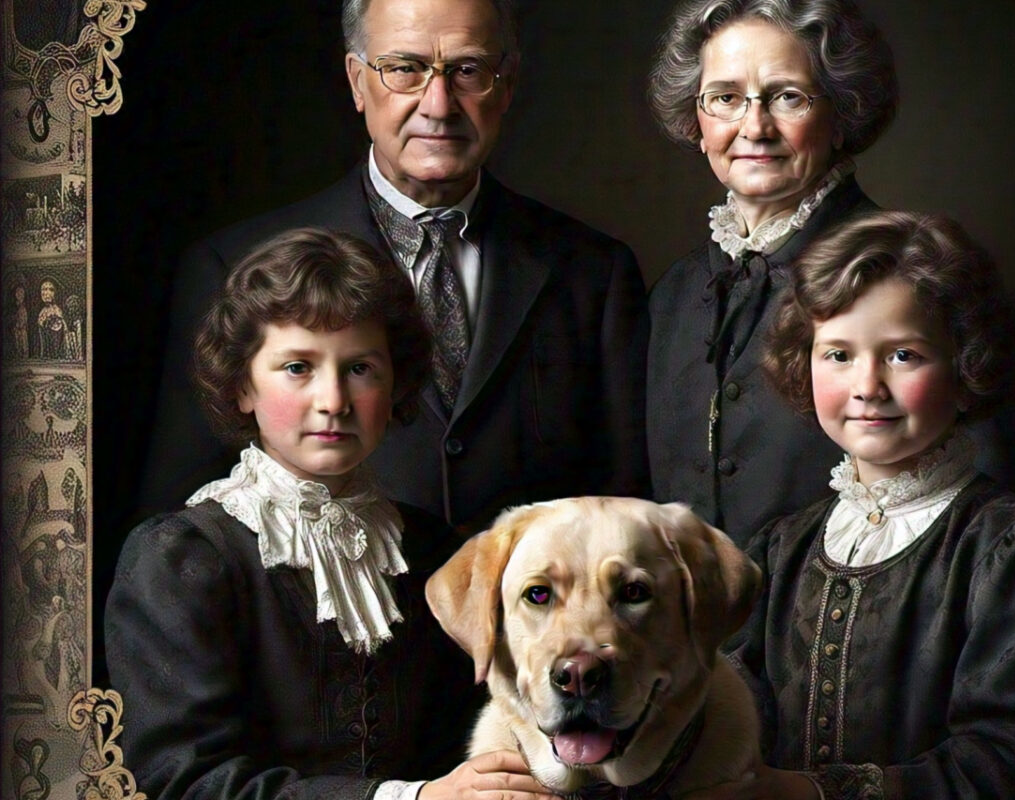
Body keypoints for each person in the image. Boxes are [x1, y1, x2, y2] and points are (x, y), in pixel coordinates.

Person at [139, 0, 649, 533]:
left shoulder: (594, 273)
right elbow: (177, 516)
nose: (438, 104)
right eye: (405, 69)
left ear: (507, 83)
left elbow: (629, 509)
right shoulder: (231, 267)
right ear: (357, 83)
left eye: (467, 70)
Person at [105, 228, 559, 800]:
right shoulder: (180, 559)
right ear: (242, 384)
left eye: (361, 368)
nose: (334, 401)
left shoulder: (430, 549)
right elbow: (184, 781)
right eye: (297, 367)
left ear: (395, 383)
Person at [689, 211, 1015, 800]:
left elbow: (1012, 758)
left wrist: (803, 793)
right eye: (838, 355)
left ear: (965, 366)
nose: (867, 386)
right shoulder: (781, 547)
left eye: (903, 355)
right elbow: (725, 709)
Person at [645, 0, 1015, 547]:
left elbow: (1003, 523)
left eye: (788, 97)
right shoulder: (671, 294)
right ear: (696, 123)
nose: (754, 127)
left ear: (840, 114)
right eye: (725, 99)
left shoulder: (918, 272)